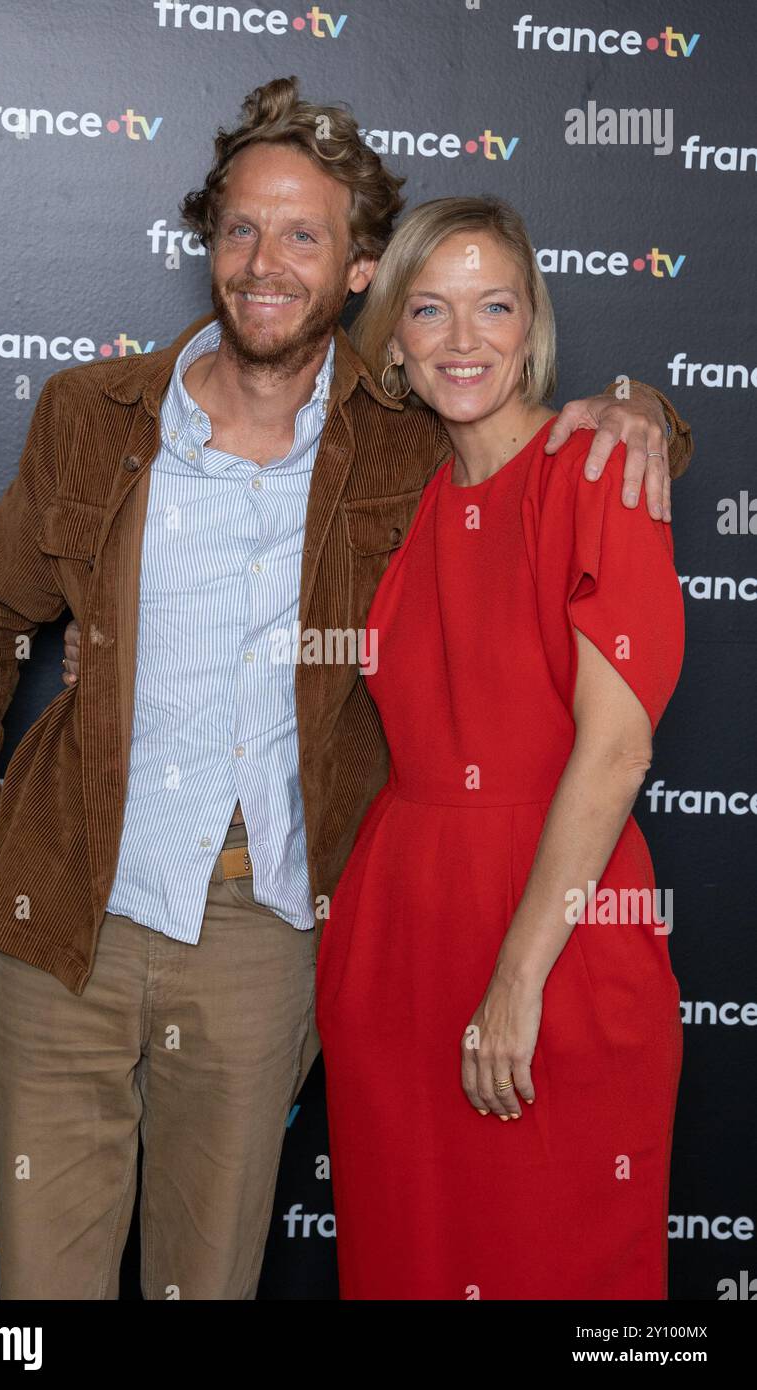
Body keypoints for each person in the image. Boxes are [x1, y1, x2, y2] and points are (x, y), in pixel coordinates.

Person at [0, 77, 691, 1301]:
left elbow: (532, 433)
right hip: (70, 907)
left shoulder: (393, 436)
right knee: (35, 1303)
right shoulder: (90, 413)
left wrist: (642, 410)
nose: (262, 263)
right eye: (238, 228)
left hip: (262, 929)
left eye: (301, 235)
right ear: (209, 243)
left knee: (208, 1285)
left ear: (355, 271)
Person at [314, 195, 685, 1300]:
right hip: (396, 940)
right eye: (428, 309)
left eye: (493, 306)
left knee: (561, 1262)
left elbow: (614, 751)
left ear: (533, 325)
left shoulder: (599, 474)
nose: (463, 339)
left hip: (557, 932)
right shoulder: (395, 500)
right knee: (407, 1261)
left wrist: (517, 979)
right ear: (391, 337)